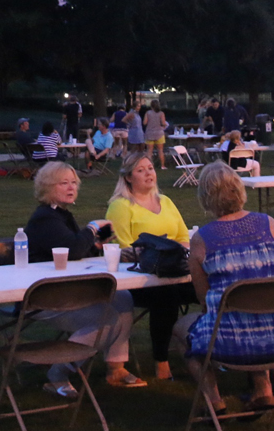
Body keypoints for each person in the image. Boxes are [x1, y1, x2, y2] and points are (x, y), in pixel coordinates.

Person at [172, 162, 274, 414]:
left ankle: (214, 400)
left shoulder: (201, 240)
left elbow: (203, 300)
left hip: (226, 343)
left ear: (205, 197)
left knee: (182, 328)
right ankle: (263, 390)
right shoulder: (270, 225)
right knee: (254, 316)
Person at [24, 161, 145, 394]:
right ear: (48, 187)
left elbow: (71, 253)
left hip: (66, 288)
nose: (71, 188)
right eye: (63, 183)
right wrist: (91, 229)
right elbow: (73, 249)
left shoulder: (60, 215)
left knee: (123, 298)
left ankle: (116, 366)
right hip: (44, 298)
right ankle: (58, 373)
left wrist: (96, 243)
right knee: (108, 321)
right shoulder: (45, 218)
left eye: (74, 183)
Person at [106, 152, 195, 380]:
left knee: (207, 288)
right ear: (128, 177)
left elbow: (184, 236)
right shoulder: (121, 206)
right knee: (166, 296)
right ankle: (162, 360)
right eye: (141, 170)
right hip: (139, 279)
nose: (148, 173)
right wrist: (162, 251)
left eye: (150, 168)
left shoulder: (166, 201)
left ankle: (209, 348)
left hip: (175, 270)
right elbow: (125, 247)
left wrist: (173, 251)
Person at [143, 99, 169, 167]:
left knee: (149, 151)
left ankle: (149, 166)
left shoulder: (148, 113)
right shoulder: (161, 113)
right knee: (160, 150)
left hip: (149, 133)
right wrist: (165, 125)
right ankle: (162, 166)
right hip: (159, 133)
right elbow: (163, 123)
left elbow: (144, 122)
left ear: (151, 105)